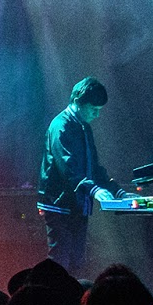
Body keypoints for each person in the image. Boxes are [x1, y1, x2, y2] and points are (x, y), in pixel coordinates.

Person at [36, 76, 129, 273]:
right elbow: (68, 169)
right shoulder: (60, 126)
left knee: (76, 262)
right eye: (94, 109)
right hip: (59, 205)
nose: (97, 114)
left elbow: (94, 167)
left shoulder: (84, 127)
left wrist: (119, 192)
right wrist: (94, 190)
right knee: (60, 262)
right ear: (79, 102)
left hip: (77, 205)